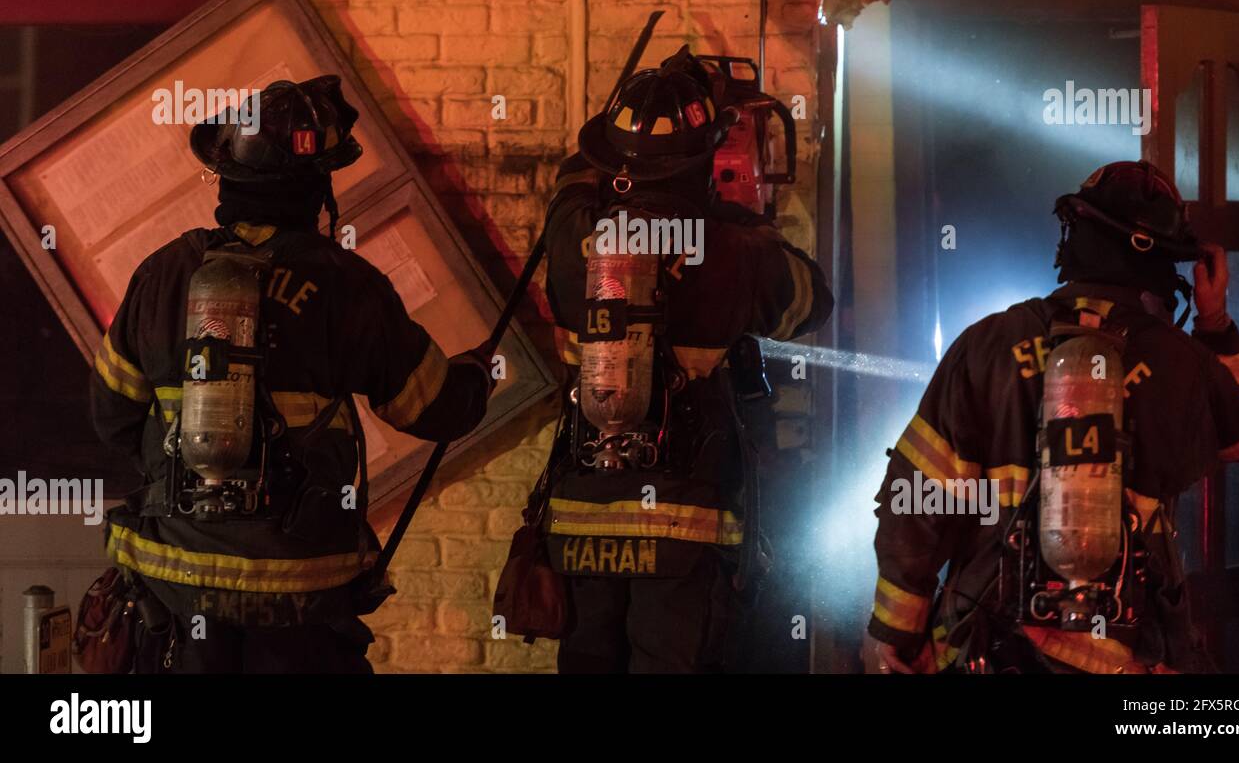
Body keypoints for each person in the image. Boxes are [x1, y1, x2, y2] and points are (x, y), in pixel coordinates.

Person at [90, 75, 494, 672]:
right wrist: (476, 376)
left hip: (173, 585)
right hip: (299, 596)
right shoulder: (347, 284)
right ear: (317, 187)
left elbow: (112, 417)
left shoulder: (163, 273)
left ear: (227, 177)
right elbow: (433, 410)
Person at [867, 160, 1239, 674]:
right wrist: (1214, 322)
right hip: (1125, 658)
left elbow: (919, 499)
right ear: (1162, 264)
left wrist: (896, 633)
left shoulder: (988, 344)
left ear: (1075, 237)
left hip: (987, 647)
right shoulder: (1183, 365)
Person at [538, 47, 833, 672]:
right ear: (705, 157)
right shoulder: (736, 250)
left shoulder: (568, 238)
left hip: (582, 517)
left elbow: (571, 182)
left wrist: (617, 139)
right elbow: (812, 303)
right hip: (681, 525)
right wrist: (739, 223)